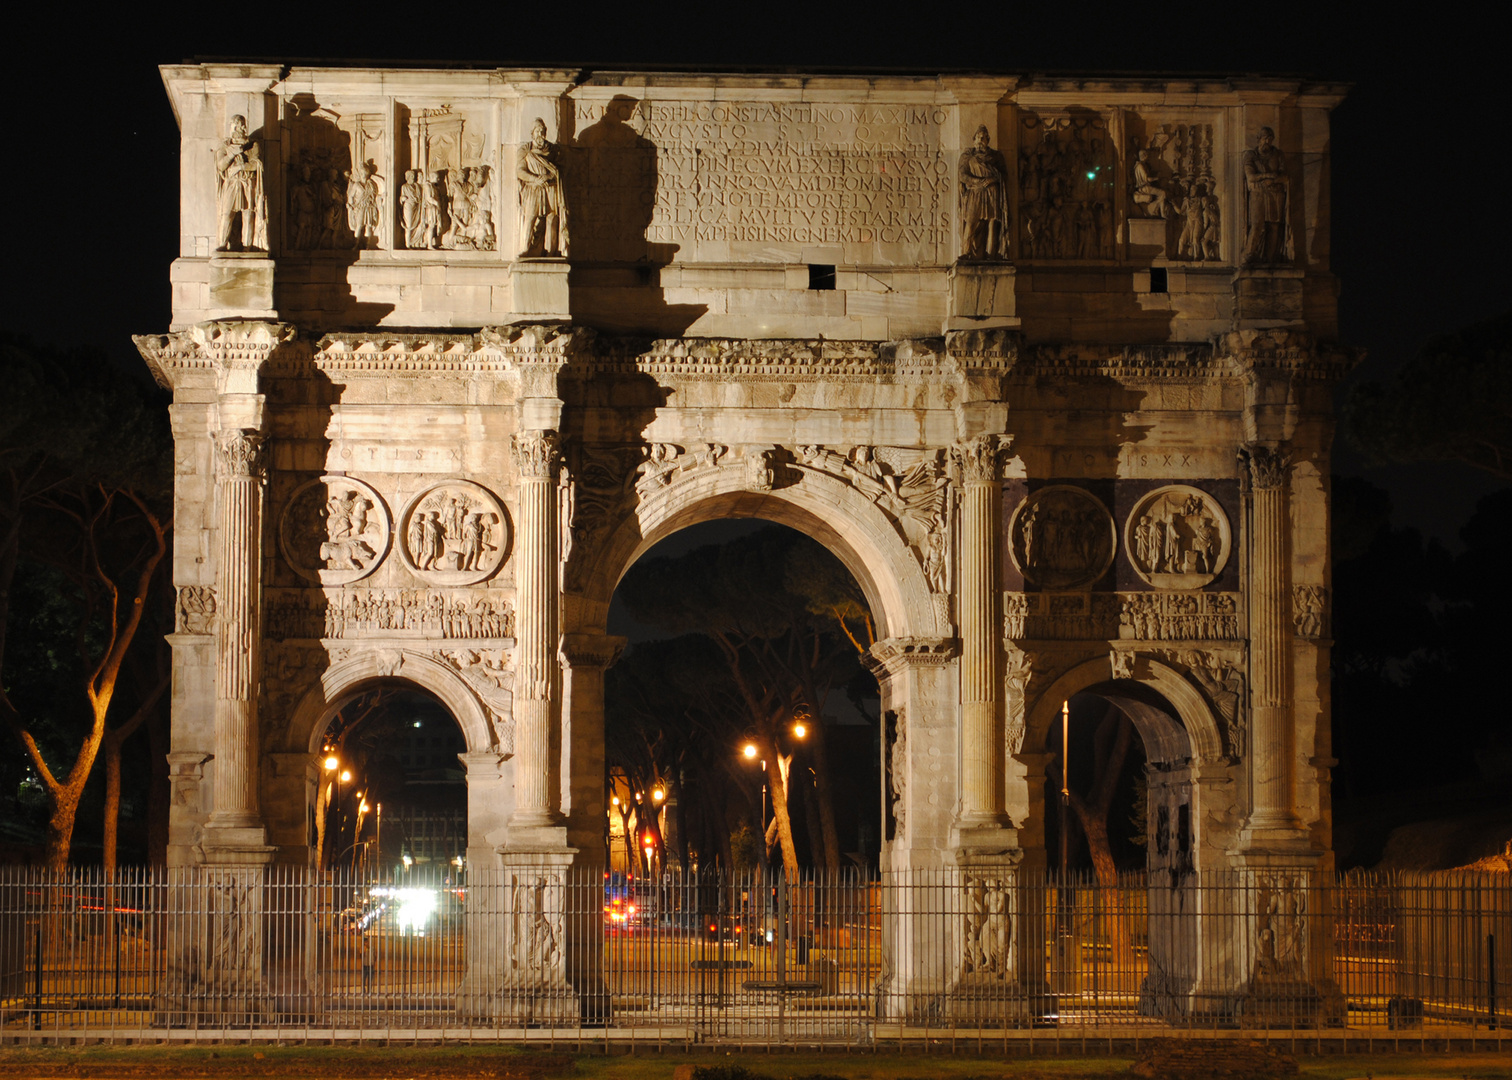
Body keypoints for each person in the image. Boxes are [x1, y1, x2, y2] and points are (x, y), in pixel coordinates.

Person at [517, 117, 568, 257]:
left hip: (551, 187)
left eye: (542, 131)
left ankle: (551, 251)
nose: (540, 134)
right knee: (530, 217)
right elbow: (520, 171)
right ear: (532, 133)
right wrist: (535, 179)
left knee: (552, 217)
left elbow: (560, 169)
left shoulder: (552, 150)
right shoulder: (526, 150)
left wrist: (548, 176)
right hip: (534, 188)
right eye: (537, 131)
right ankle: (525, 249)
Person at [214, 115, 266, 251]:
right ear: (233, 128)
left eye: (243, 125)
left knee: (248, 214)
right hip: (231, 184)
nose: (242, 128)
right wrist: (231, 154)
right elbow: (220, 165)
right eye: (238, 126)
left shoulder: (253, 144)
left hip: (247, 183)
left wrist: (240, 167)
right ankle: (222, 244)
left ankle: (247, 247)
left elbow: (256, 164)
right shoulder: (225, 145)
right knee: (227, 214)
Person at [957, 125, 1008, 259]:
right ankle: (966, 252)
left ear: (988, 140)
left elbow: (1004, 175)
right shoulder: (967, 155)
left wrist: (992, 179)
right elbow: (962, 175)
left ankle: (991, 254)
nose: (981, 140)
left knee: (992, 223)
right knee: (971, 221)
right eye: (979, 137)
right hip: (975, 192)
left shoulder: (996, 156)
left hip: (992, 191)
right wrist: (976, 181)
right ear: (974, 140)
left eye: (984, 138)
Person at [1242, 126, 1291, 265]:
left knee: (1274, 226)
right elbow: (1250, 176)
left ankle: (1269, 259)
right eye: (1265, 139)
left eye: (1270, 139)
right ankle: (1249, 254)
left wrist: (1274, 180)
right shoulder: (1251, 155)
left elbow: (1285, 176)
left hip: (1275, 194)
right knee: (1257, 224)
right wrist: (1268, 175)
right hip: (1258, 194)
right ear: (1258, 139)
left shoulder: (1278, 154)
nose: (1267, 142)